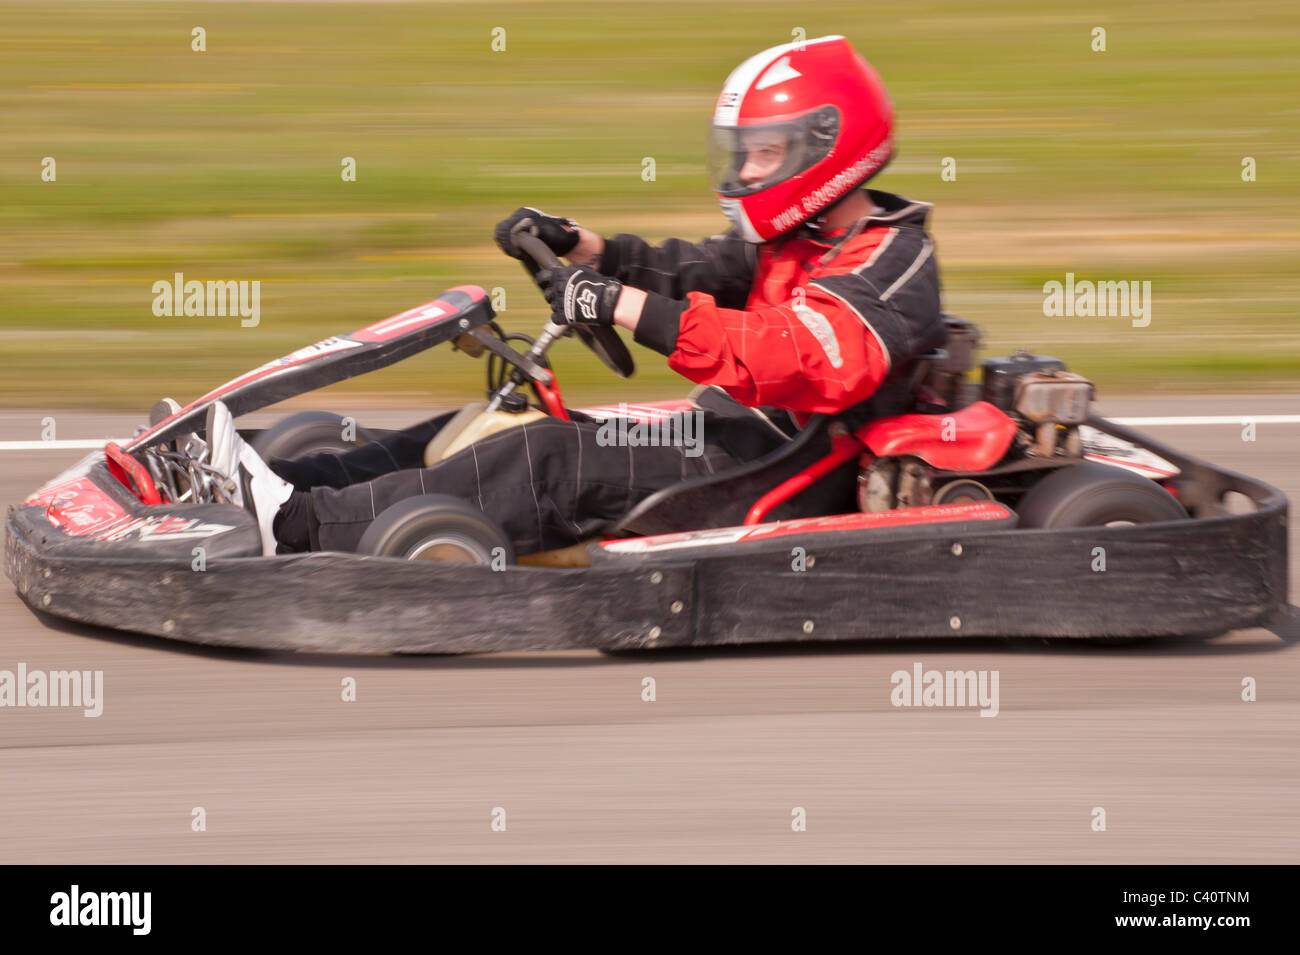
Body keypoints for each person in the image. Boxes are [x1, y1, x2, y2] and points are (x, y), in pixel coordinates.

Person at [206, 33, 947, 557]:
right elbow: (694, 271)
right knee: (489, 424)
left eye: (765, 153)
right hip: (731, 433)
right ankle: (286, 479)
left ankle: (298, 525)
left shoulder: (892, 260)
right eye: (744, 152)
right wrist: (585, 251)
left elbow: (794, 357)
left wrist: (615, 305)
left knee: (548, 460)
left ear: (828, 146)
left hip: (792, 467)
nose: (747, 172)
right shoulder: (799, 236)